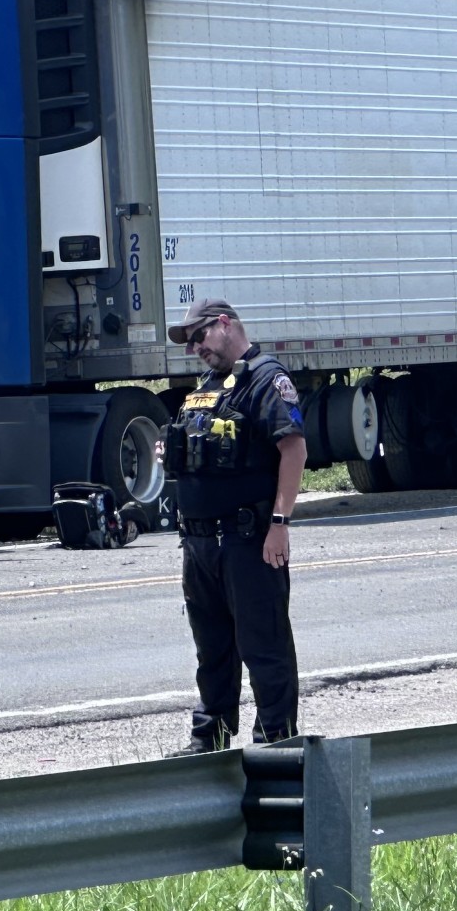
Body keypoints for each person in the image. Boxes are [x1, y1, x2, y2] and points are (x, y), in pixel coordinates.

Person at [160, 297, 307, 754]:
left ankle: (276, 741)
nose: (195, 348)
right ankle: (211, 739)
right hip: (200, 542)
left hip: (247, 539)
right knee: (213, 652)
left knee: (263, 646)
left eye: (200, 336)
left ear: (224, 324)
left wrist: (279, 522)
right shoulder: (208, 386)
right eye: (190, 343)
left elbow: (294, 450)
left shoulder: (266, 379)